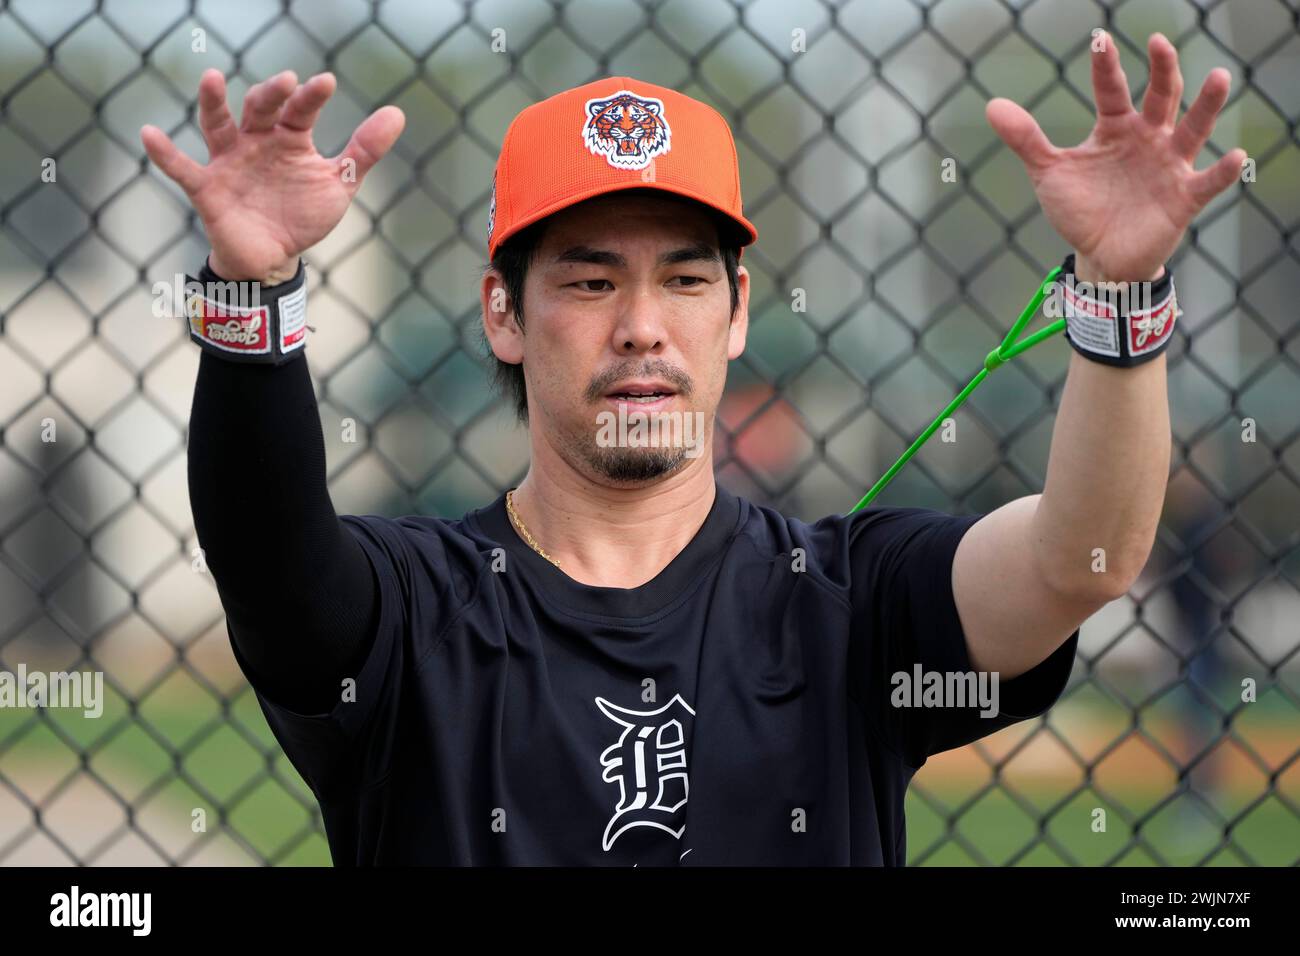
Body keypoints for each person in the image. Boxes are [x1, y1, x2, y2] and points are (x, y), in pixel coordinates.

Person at [139, 33, 1245, 865]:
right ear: (503, 313)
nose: (642, 323)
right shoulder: (412, 610)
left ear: (737, 313)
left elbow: (1081, 563)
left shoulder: (849, 598)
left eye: (683, 276)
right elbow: (268, 560)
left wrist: (1115, 294)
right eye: (586, 279)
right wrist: (251, 296)